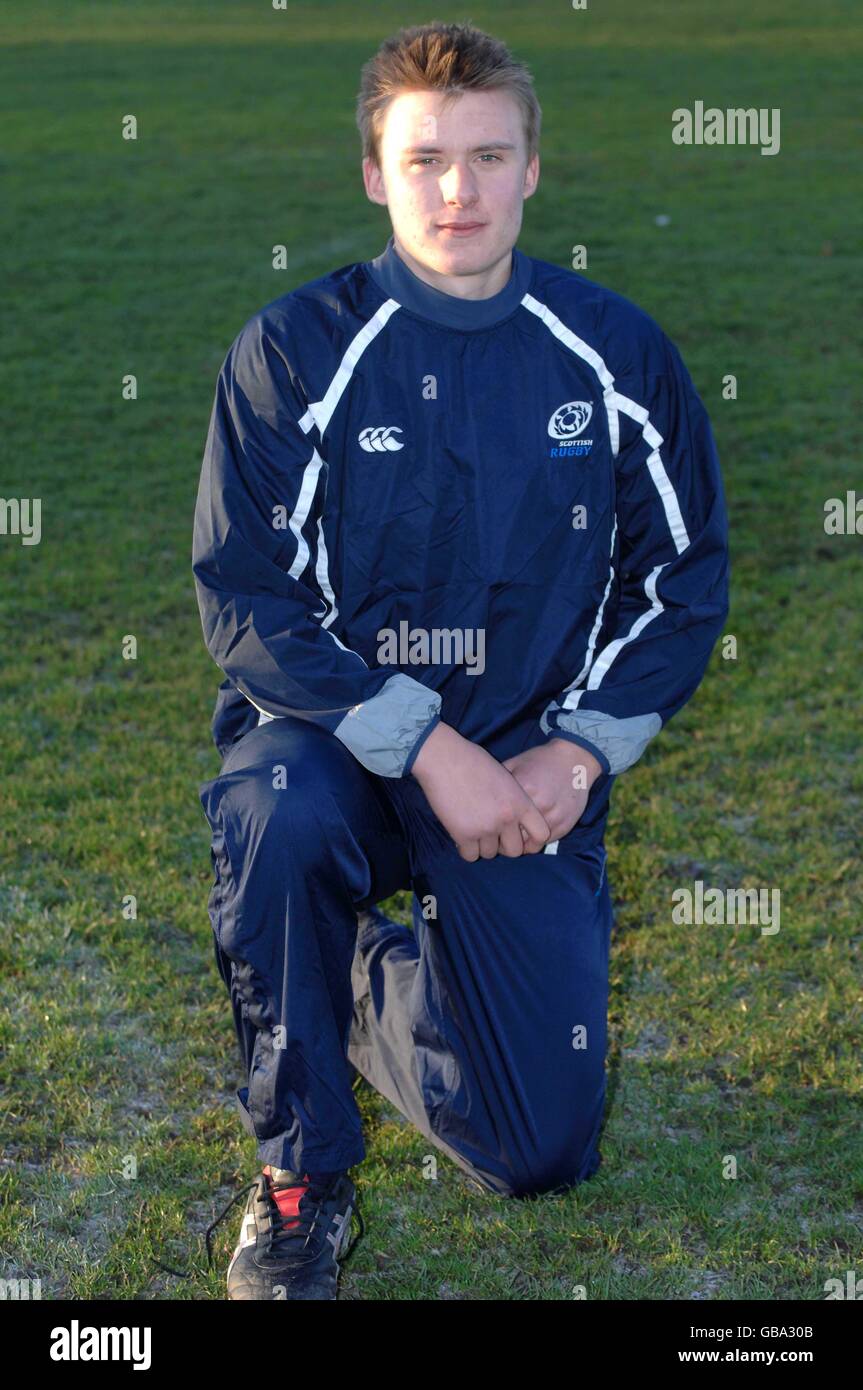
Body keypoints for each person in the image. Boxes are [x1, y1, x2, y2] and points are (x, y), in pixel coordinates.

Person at [192, 20, 730, 1301]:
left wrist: (579, 748)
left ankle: (369, 980)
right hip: (337, 756)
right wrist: (426, 747)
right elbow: (246, 597)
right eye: (425, 158)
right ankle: (297, 1184)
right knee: (272, 810)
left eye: (489, 157)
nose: (458, 190)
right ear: (373, 173)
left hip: (522, 777)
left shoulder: (616, 355)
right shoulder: (290, 353)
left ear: (533, 169)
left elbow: (681, 578)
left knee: (534, 1148)